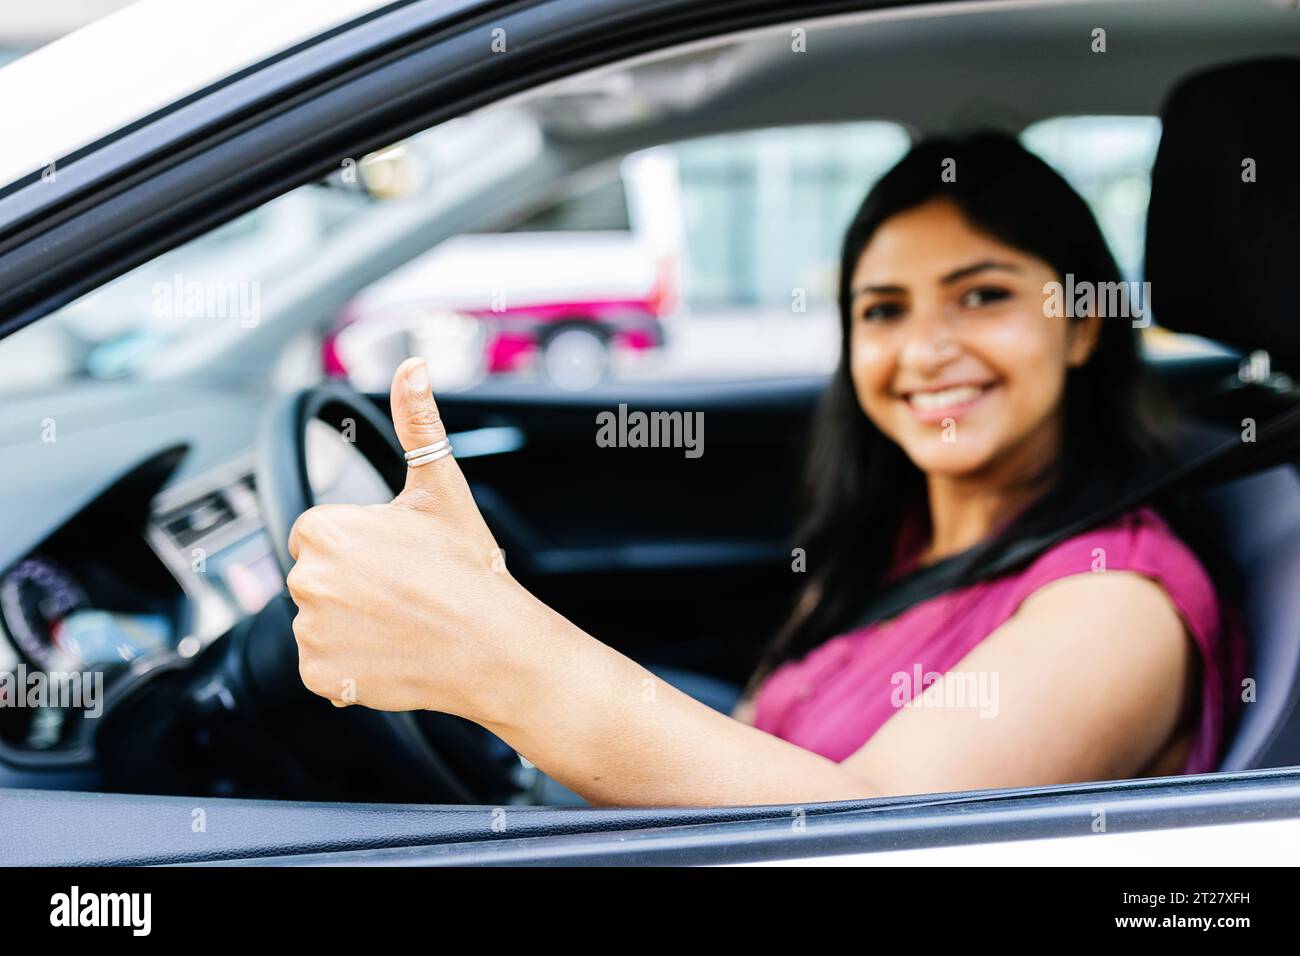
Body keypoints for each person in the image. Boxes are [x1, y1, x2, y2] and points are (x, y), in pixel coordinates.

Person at [286, 133, 1245, 807]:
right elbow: (760, 733)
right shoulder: (903, 537)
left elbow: (872, 838)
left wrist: (489, 652)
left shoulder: (1116, 602)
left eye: (982, 296)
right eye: (882, 311)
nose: (925, 351)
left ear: (1079, 323)